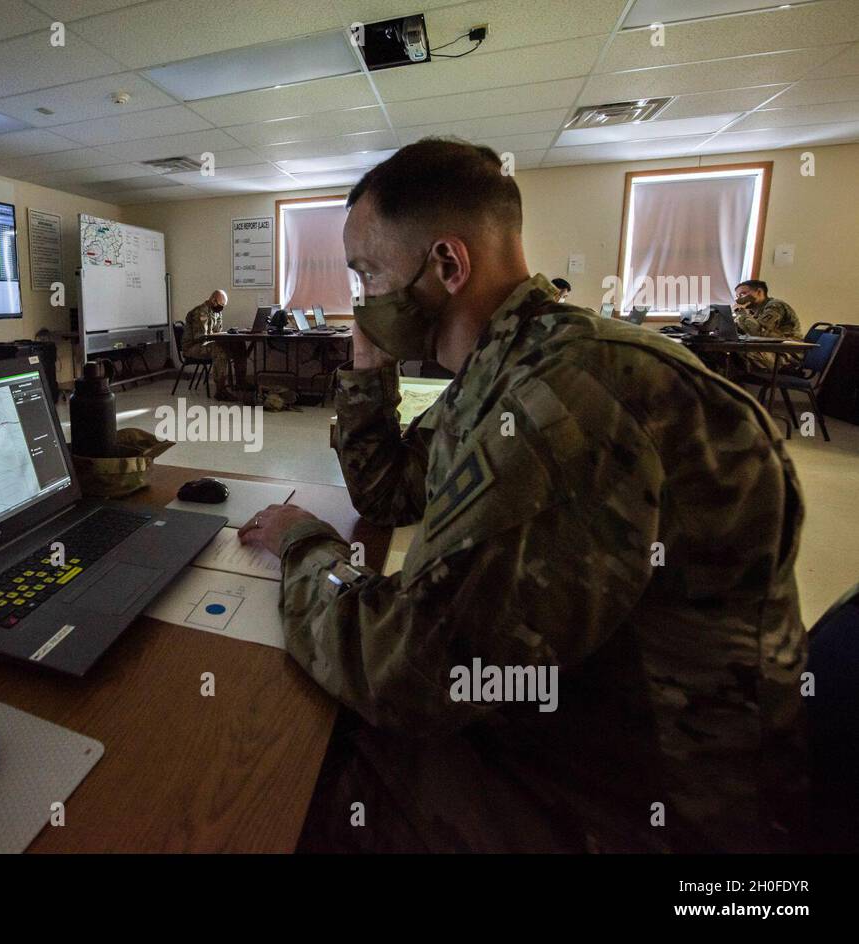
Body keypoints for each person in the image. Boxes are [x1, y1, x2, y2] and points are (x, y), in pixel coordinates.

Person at [237, 139, 807, 853]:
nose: (363, 299)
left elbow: (407, 672)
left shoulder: (562, 398)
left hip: (645, 804)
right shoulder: (515, 362)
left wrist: (303, 544)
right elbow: (389, 492)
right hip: (597, 726)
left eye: (369, 273)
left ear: (447, 264)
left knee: (282, 784)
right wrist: (365, 370)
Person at [182, 289, 248, 400]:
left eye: (223, 305)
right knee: (219, 349)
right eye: (221, 304)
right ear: (213, 300)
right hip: (193, 346)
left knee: (239, 345)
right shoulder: (200, 312)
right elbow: (201, 337)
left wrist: (228, 337)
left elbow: (217, 332)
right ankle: (220, 390)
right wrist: (221, 339)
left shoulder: (216, 312)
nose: (221, 308)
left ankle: (241, 382)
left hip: (207, 343)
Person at [733, 279, 803, 372]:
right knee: (719, 355)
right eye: (737, 296)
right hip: (770, 350)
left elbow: (760, 332)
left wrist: (740, 313)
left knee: (731, 355)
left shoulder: (775, 306)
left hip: (785, 355)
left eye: (742, 294)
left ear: (759, 292)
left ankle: (728, 385)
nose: (738, 299)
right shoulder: (754, 312)